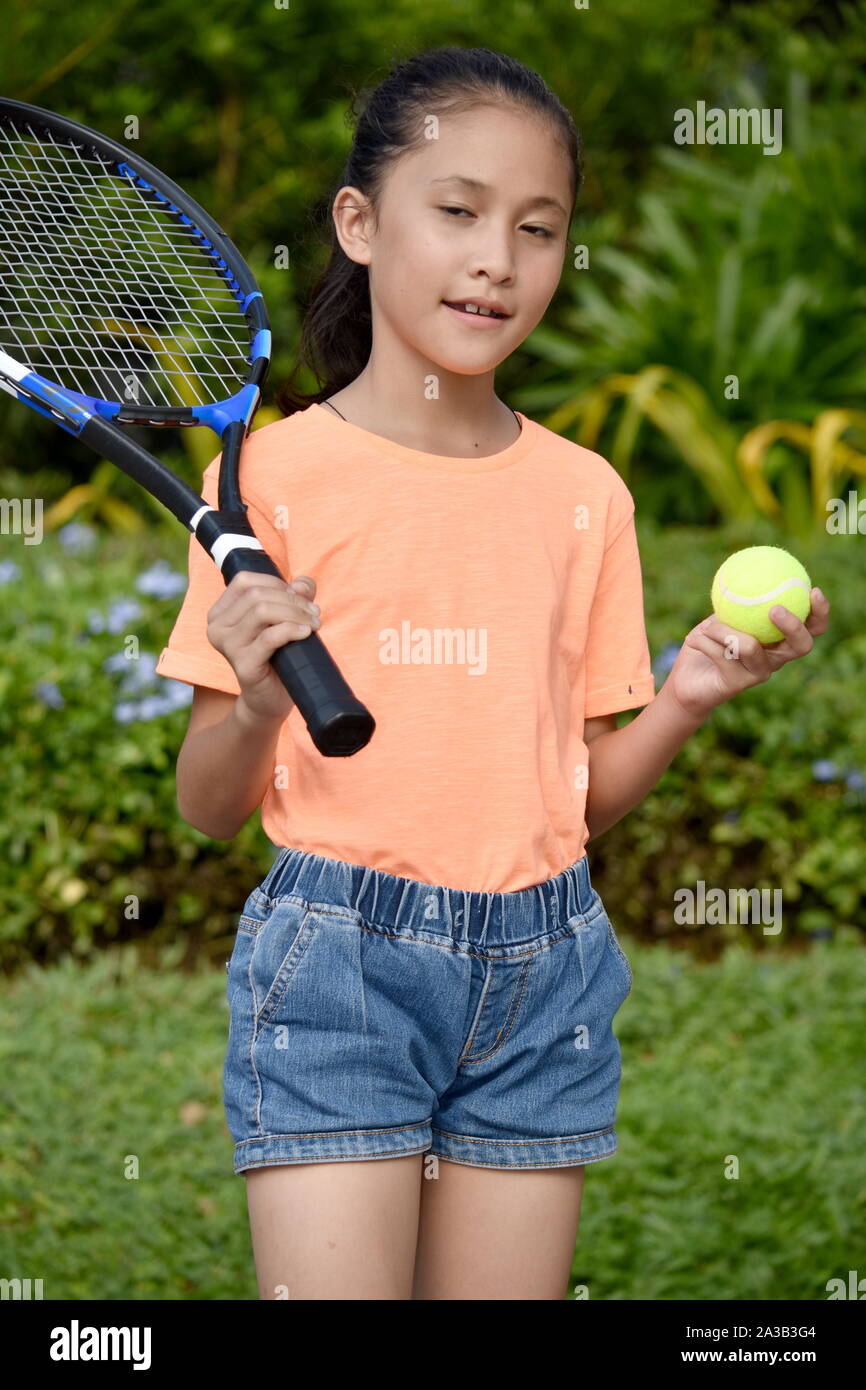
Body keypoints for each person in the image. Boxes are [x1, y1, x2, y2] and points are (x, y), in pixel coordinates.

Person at [155, 45, 829, 1301]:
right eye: (455, 211)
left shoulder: (585, 496)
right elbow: (206, 807)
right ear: (359, 223)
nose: (495, 260)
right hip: (335, 964)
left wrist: (683, 694)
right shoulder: (271, 484)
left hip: (546, 966)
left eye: (537, 228)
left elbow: (567, 803)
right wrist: (254, 698)